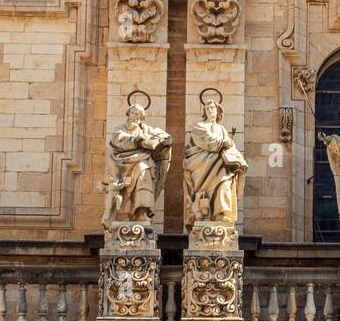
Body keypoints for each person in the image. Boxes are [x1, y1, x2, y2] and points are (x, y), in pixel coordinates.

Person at [183, 95, 248, 227]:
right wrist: (223, 143)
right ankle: (204, 212)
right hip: (202, 162)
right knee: (221, 166)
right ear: (204, 111)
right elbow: (205, 141)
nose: (210, 110)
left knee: (225, 180)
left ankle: (222, 213)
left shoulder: (222, 129)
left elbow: (229, 147)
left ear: (217, 111)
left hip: (221, 163)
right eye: (207, 108)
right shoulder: (199, 126)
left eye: (212, 108)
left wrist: (232, 150)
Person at [105, 102, 172, 224]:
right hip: (122, 162)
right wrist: (138, 141)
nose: (135, 116)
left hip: (141, 160)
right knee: (142, 166)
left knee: (144, 169)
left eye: (138, 114)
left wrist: (163, 140)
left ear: (141, 117)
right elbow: (118, 140)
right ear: (129, 114)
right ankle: (123, 213)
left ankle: (141, 212)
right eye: (133, 113)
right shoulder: (120, 129)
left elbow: (163, 135)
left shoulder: (145, 129)